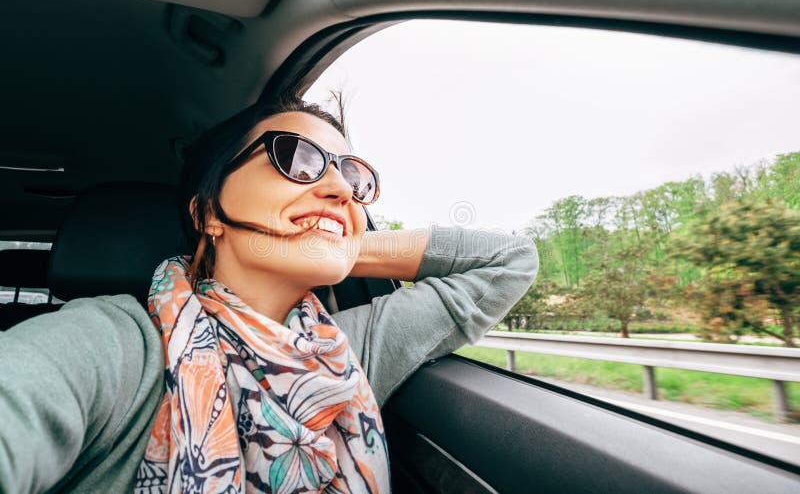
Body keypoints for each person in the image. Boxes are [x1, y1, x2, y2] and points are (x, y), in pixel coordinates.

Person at [0, 96, 539, 493]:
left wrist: (340, 240)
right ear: (208, 213)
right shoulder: (114, 345)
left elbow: (510, 262)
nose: (338, 189)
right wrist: (317, 232)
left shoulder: (348, 353)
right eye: (297, 159)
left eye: (352, 178)